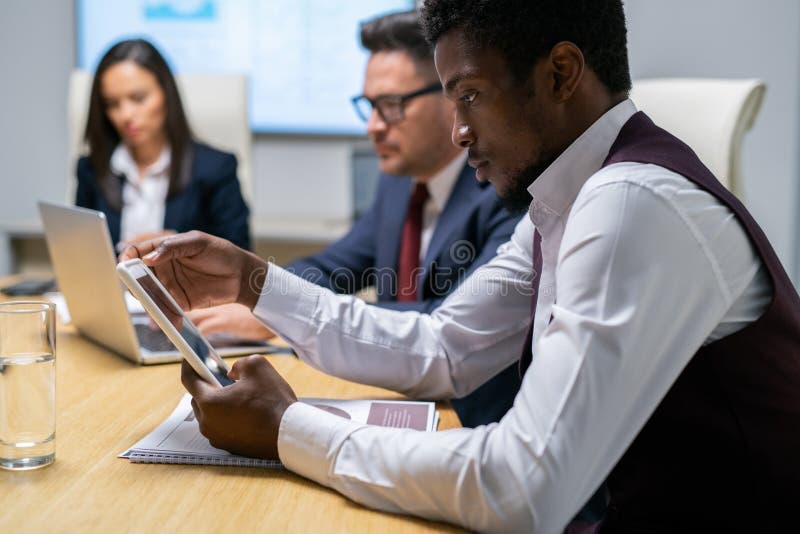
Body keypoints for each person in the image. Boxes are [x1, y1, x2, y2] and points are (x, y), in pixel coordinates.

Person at [121, 1, 800, 531]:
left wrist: (288, 430)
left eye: (468, 95)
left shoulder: (630, 204)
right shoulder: (567, 200)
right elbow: (443, 348)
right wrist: (252, 281)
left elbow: (521, 488)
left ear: (561, 73)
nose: (457, 132)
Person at [187, 10, 522, 428]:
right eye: (369, 106)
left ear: (450, 97)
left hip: (469, 422)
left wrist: (278, 309)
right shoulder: (400, 183)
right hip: (396, 399)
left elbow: (447, 329)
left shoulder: (505, 192)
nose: (374, 126)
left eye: (391, 106)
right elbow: (332, 267)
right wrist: (261, 303)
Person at [76, 38, 250, 252]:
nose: (126, 115)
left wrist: (180, 244)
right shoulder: (91, 170)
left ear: (166, 93)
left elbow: (241, 259)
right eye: (113, 104)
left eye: (138, 98)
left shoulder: (216, 169)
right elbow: (82, 253)